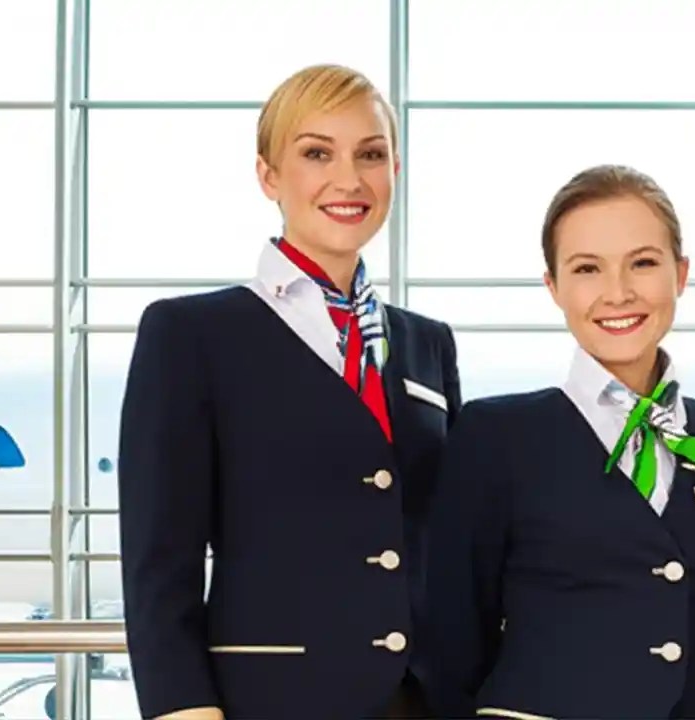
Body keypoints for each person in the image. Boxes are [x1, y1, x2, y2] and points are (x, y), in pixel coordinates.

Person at [117, 64, 461, 720]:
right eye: (316, 154)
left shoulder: (427, 344)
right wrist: (183, 711)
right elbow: (161, 561)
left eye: (371, 154)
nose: (348, 179)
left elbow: (446, 542)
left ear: (395, 171)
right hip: (267, 701)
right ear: (268, 175)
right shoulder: (191, 335)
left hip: (424, 703)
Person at [424, 164, 695, 719]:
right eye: (587, 269)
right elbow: (452, 641)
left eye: (644, 263)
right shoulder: (494, 437)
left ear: (680, 274)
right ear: (554, 286)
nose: (618, 292)